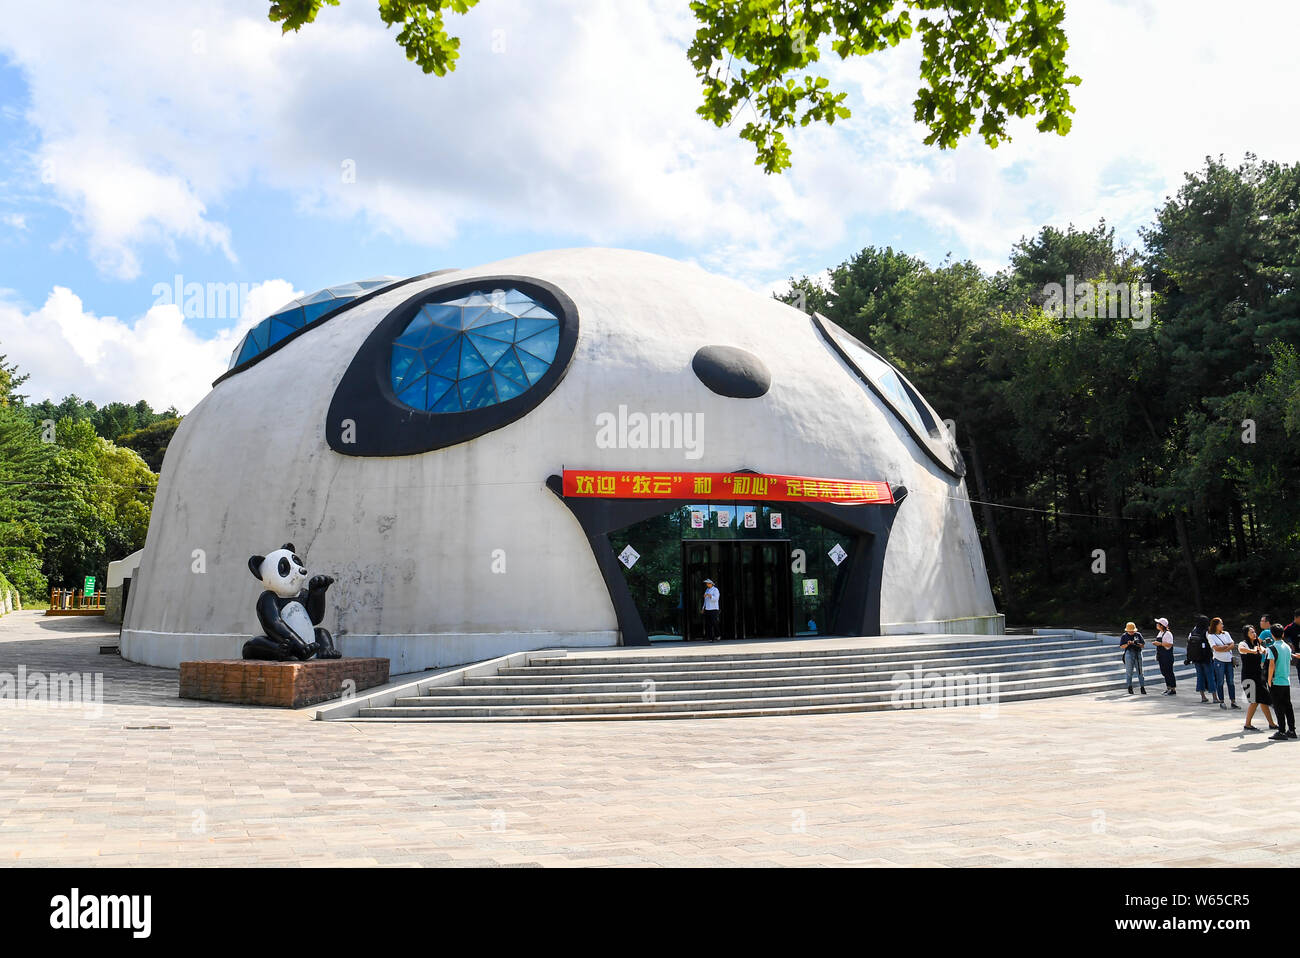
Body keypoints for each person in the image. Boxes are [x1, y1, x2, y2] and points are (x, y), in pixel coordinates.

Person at [1238, 626, 1277, 732]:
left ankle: (1271, 723)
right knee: (1254, 701)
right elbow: (1241, 649)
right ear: (1246, 634)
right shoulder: (1243, 644)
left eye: (1254, 632)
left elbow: (1265, 651)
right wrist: (1253, 651)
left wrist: (1265, 649)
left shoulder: (1257, 644)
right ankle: (1247, 724)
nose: (1254, 633)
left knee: (1263, 700)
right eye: (1251, 632)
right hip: (1248, 677)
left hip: (1259, 676)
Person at [1266, 629, 1298, 741]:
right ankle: (1292, 730)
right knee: (1288, 706)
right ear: (1283, 634)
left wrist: (1269, 680)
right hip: (1286, 680)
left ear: (1272, 635)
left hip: (1276, 681)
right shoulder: (1287, 647)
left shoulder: (1272, 648)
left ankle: (1281, 731)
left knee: (1278, 707)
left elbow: (1271, 665)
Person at [1208, 617, 1239, 710]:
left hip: (1229, 660)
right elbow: (1215, 648)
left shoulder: (1226, 634)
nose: (1222, 625)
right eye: (1220, 623)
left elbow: (1232, 644)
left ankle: (1233, 701)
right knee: (1220, 681)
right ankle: (1221, 701)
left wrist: (1223, 648)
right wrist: (1226, 647)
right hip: (1219, 660)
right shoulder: (1211, 636)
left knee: (1230, 681)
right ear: (1215, 625)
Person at [1185, 615, 1214, 703]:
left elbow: (1189, 643)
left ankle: (1203, 696)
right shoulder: (1207, 631)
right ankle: (1215, 696)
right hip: (1206, 657)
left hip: (1195, 657)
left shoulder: (1193, 631)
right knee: (1210, 677)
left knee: (1200, 677)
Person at [1152, 617, 1177, 695]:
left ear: (1162, 625)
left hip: (1167, 655)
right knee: (1164, 672)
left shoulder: (1168, 633)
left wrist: (1160, 644)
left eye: (1158, 624)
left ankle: (1173, 689)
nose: (1157, 625)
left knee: (1169, 672)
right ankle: (1168, 687)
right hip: (1161, 655)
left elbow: (1170, 644)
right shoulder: (1160, 633)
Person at [1120, 622, 1146, 694]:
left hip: (1138, 653)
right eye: (1129, 631)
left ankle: (1142, 687)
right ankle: (1130, 687)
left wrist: (1136, 643)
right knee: (1129, 671)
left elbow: (1143, 645)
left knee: (1140, 671)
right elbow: (1121, 646)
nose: (1131, 632)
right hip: (1129, 653)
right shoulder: (1124, 636)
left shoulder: (1138, 635)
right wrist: (1128, 644)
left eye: (1132, 631)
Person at [701, 577, 721, 642]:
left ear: (711, 584)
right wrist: (703, 608)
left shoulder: (715, 590)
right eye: (706, 584)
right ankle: (710, 637)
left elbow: (716, 599)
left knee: (714, 623)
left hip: (714, 608)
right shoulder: (706, 590)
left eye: (708, 584)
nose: (707, 585)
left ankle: (717, 635)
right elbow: (705, 600)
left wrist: (710, 596)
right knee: (708, 624)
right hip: (707, 608)